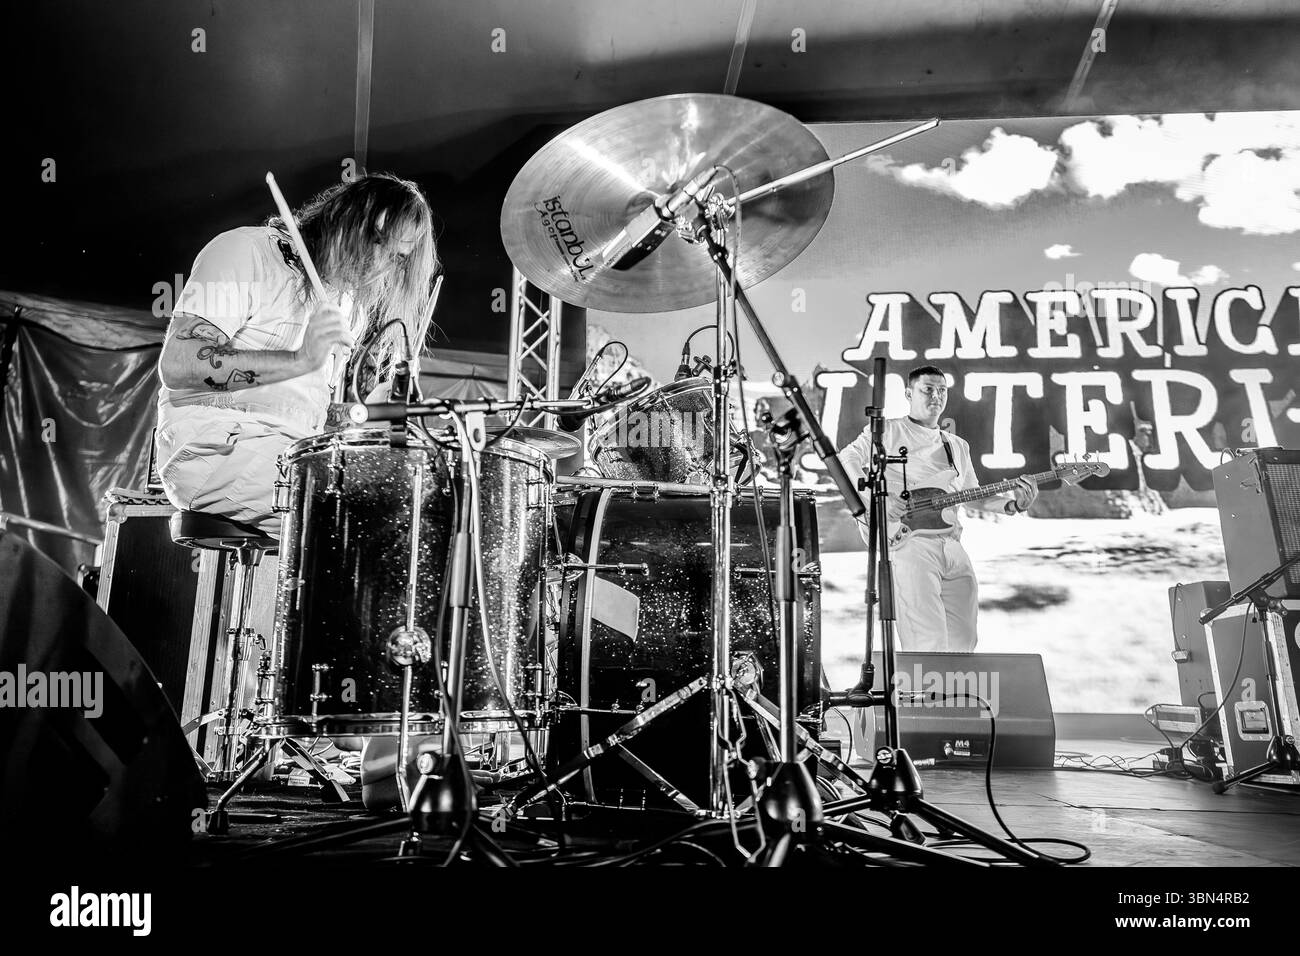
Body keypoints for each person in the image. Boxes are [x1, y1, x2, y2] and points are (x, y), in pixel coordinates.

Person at [154, 172, 439, 536]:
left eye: (397, 258)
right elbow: (178, 364)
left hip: (291, 452)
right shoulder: (246, 251)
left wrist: (369, 417)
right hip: (211, 447)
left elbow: (306, 416)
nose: (381, 266)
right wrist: (299, 359)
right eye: (378, 243)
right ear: (344, 220)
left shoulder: (346, 305)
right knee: (361, 512)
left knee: (412, 496)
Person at [838, 365, 1037, 652]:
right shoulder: (887, 430)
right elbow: (847, 458)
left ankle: (956, 696)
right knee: (926, 640)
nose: (936, 396)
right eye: (927, 389)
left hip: (952, 544)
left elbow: (971, 495)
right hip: (909, 543)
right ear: (908, 393)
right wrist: (878, 499)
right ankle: (925, 697)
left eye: (942, 390)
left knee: (964, 639)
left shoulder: (956, 445)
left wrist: (1013, 504)